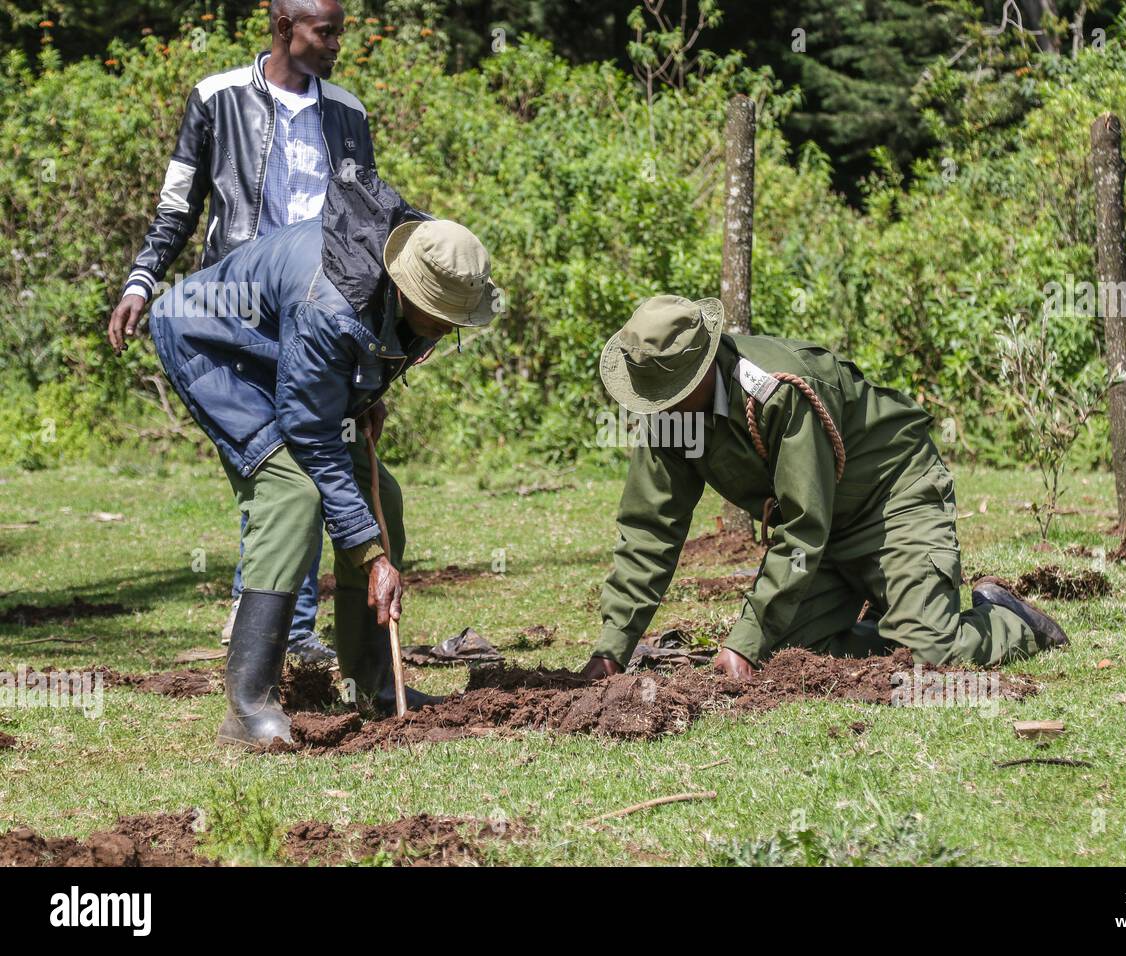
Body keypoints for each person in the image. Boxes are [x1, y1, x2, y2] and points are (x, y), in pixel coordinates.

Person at [145, 169, 498, 747]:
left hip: (290, 355)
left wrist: (364, 397)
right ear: (408, 289)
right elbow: (310, 430)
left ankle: (373, 685)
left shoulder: (422, 258)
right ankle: (248, 705)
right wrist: (368, 554)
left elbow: (364, 348)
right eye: (440, 317)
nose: (445, 329)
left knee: (389, 500)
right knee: (292, 494)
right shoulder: (330, 307)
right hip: (217, 348)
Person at [580, 294, 1070, 682]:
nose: (659, 409)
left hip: (891, 499)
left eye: (671, 395)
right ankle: (893, 612)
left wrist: (745, 637)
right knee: (789, 659)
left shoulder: (779, 391)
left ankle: (1009, 621)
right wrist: (613, 646)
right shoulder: (668, 414)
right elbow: (649, 531)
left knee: (928, 655)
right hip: (819, 534)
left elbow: (802, 526)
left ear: (705, 368)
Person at [108, 0, 373, 663]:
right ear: (285, 29)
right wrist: (142, 280)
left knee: (309, 459)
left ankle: (285, 634)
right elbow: (180, 202)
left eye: (340, 30)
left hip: (321, 310)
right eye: (326, 31)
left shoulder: (347, 110)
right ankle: (285, 634)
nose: (338, 43)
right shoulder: (216, 97)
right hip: (237, 310)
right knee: (282, 465)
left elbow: (365, 216)